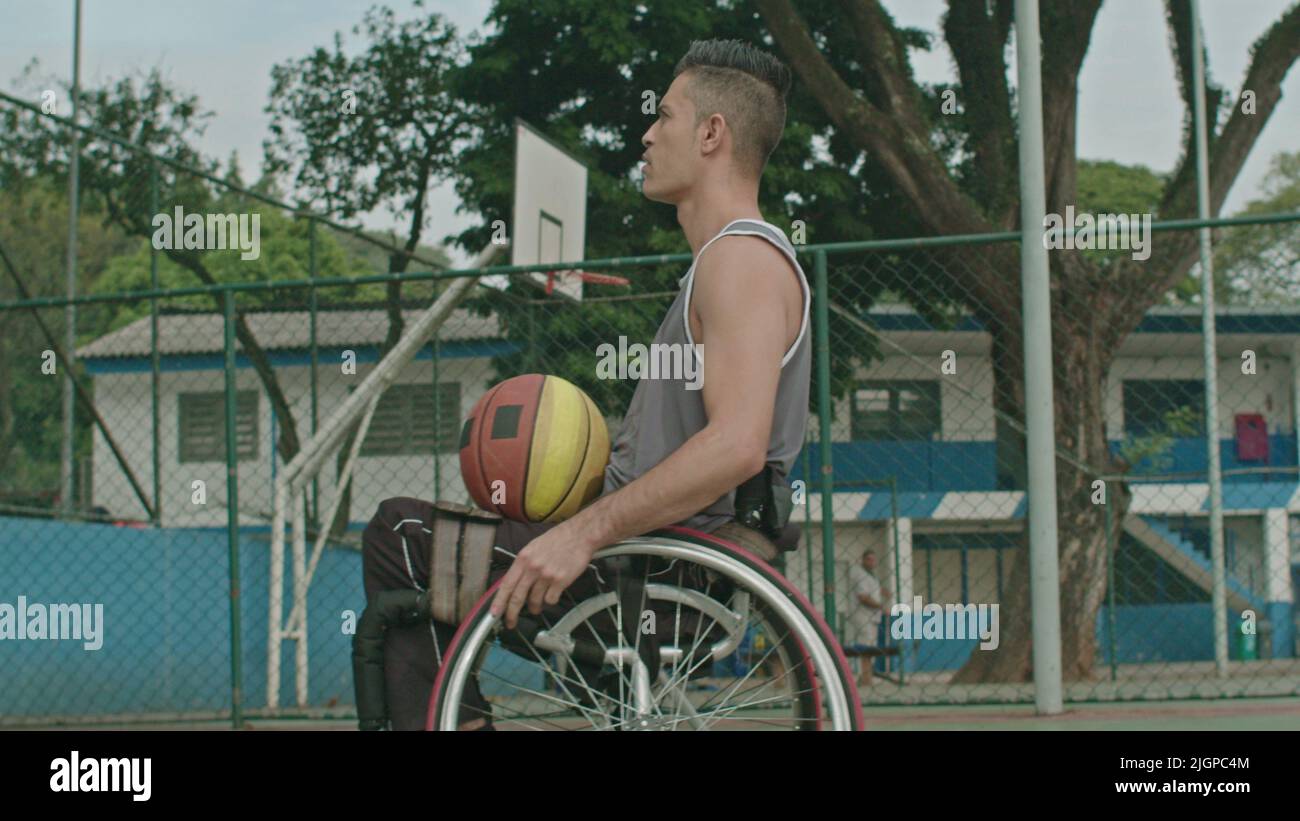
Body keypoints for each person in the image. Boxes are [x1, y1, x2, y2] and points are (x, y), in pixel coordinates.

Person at [362, 38, 806, 730]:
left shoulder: (741, 260)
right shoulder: (727, 262)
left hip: (652, 578)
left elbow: (738, 445)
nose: (647, 132)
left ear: (713, 133)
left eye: (664, 116)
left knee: (401, 532)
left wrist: (582, 532)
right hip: (652, 566)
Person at [845, 549, 891, 687]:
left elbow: (871, 590)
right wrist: (881, 606)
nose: (872, 562)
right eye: (869, 559)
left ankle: (866, 676)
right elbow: (863, 597)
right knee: (865, 646)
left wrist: (881, 591)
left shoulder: (871, 575)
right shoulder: (861, 575)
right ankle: (865, 678)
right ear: (863, 560)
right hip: (863, 615)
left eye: (873, 559)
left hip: (871, 616)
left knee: (870, 645)